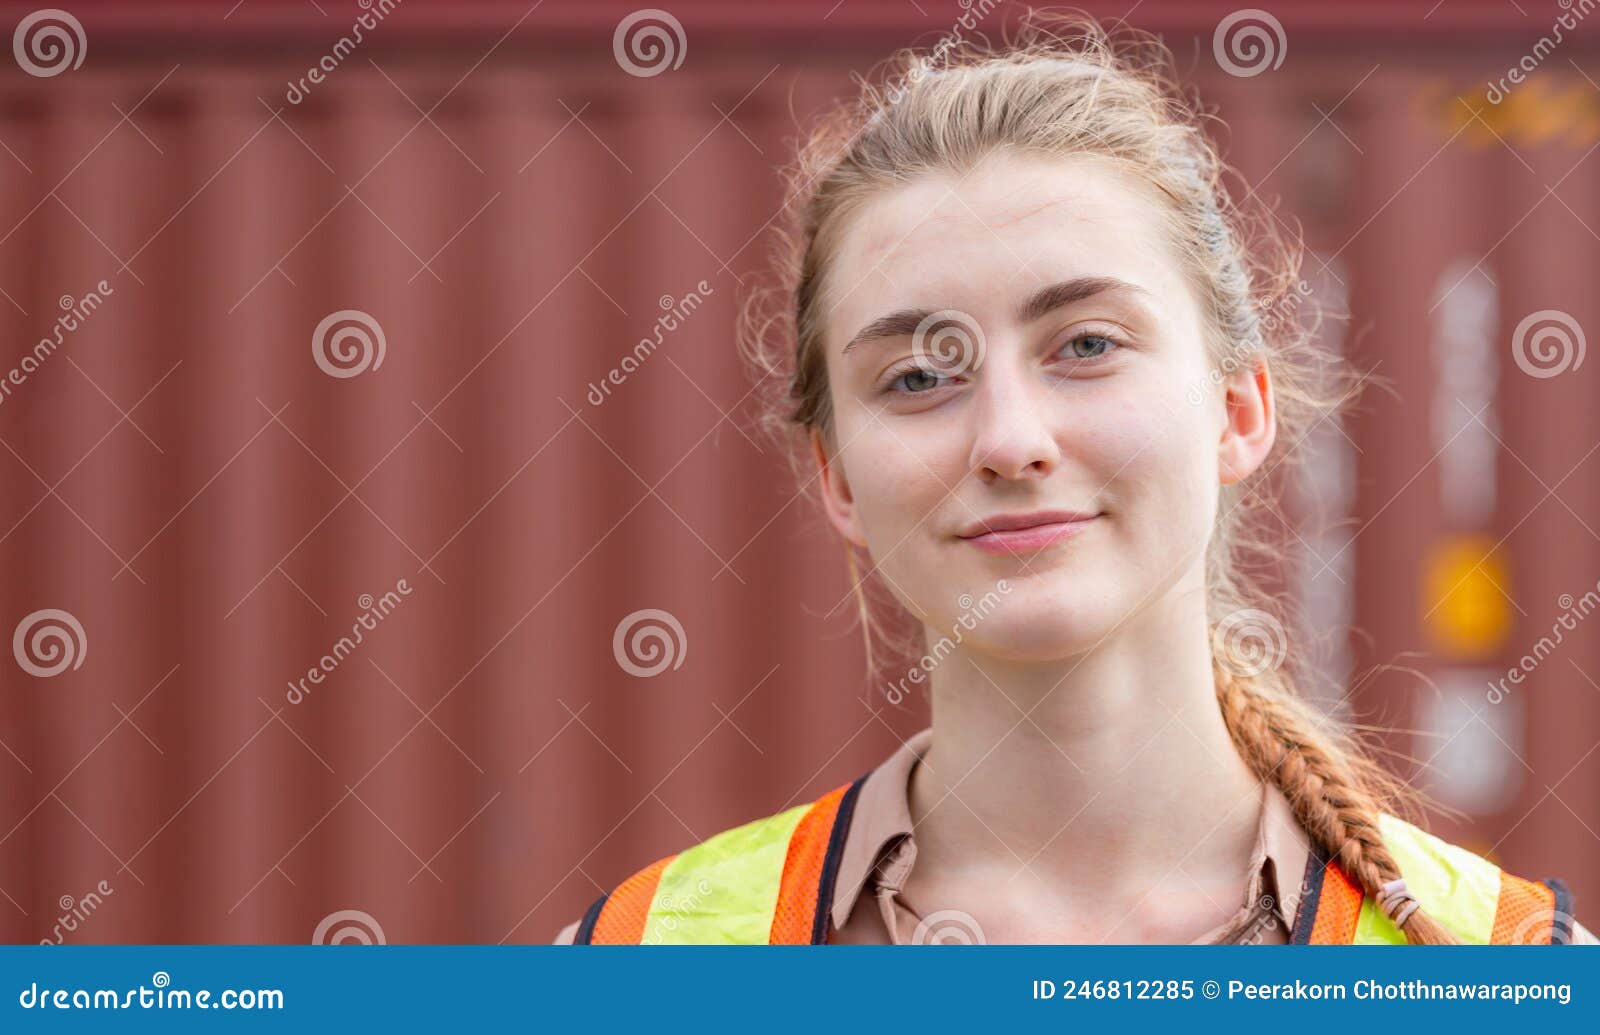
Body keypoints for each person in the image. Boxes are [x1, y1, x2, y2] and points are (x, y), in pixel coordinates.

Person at [557, 12, 1592, 946]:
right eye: (917, 376)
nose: (1008, 440)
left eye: (1086, 345)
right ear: (835, 478)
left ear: (1238, 409)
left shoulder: (1500, 963)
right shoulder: (640, 961)